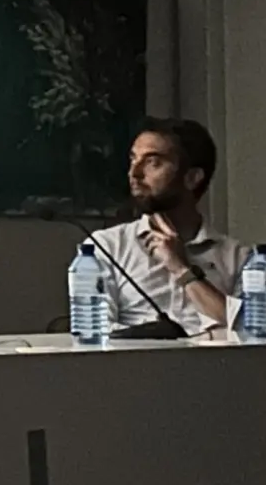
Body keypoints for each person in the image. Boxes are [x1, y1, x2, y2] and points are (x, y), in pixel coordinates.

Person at [92, 118, 249, 334]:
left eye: (153, 163)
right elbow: (95, 334)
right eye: (133, 160)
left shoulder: (239, 258)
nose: (134, 173)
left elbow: (250, 336)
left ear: (192, 178)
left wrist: (181, 269)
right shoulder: (104, 247)